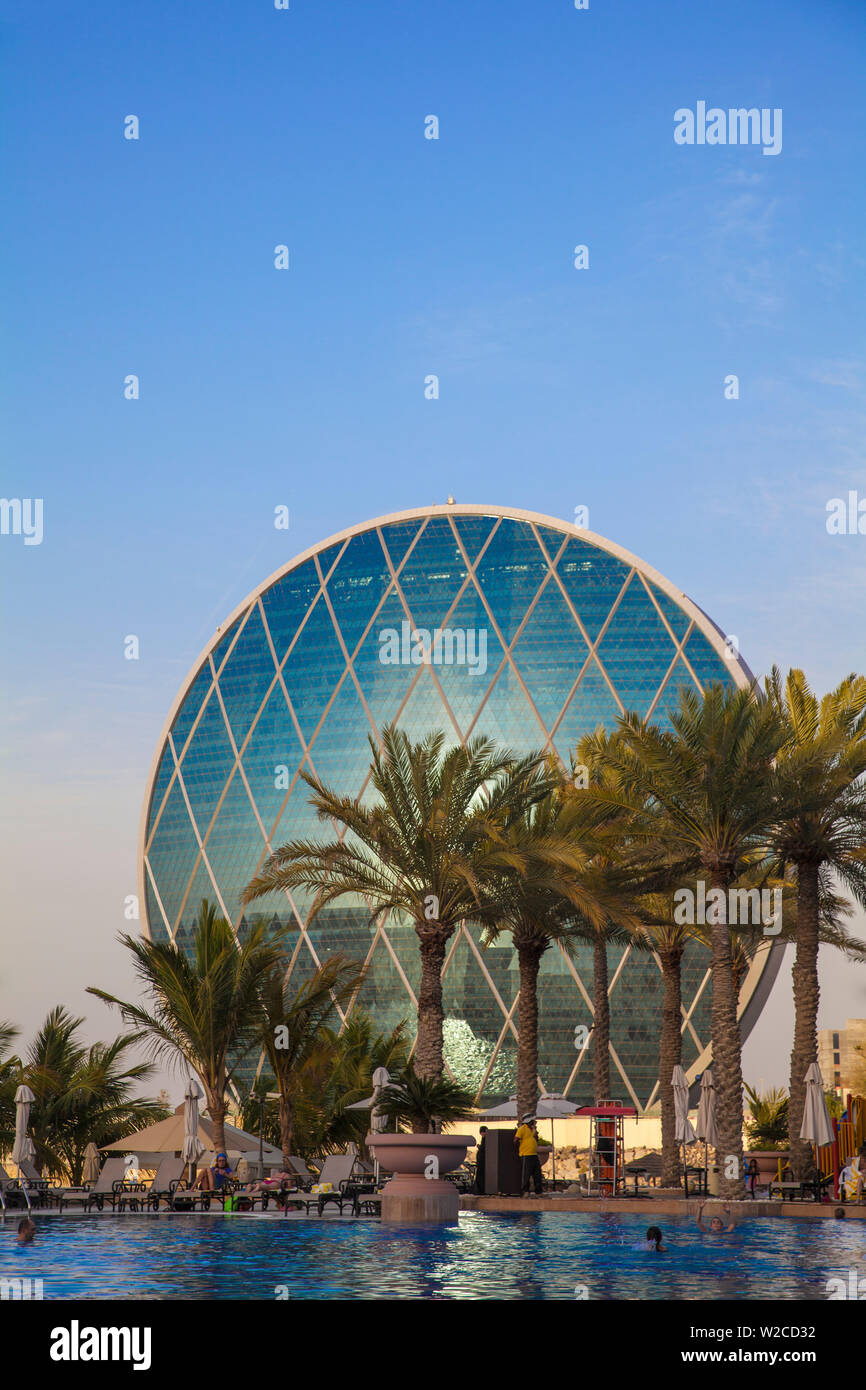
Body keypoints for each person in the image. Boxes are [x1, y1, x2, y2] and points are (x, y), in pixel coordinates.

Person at [514, 1115, 543, 1197]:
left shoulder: (533, 1129)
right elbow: (516, 1139)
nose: (534, 1122)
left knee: (537, 1173)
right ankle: (525, 1191)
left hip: (534, 1154)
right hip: (526, 1155)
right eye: (533, 1121)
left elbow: (535, 1138)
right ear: (529, 1121)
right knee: (526, 1174)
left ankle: (538, 1192)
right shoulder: (522, 1129)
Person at [474, 1127, 488, 1195]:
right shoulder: (484, 1139)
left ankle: (480, 1190)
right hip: (481, 1161)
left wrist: (479, 1147)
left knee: (480, 1176)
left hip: (482, 1162)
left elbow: (484, 1149)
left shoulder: (486, 1139)